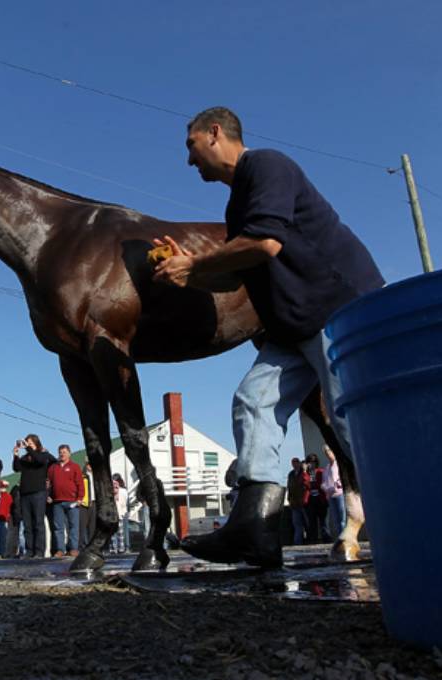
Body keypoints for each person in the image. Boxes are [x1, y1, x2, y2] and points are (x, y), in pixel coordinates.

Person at [154, 106, 384, 566]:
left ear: (214, 133)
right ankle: (255, 532)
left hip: (337, 308)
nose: (189, 160)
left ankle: (415, 515)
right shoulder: (237, 203)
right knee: (253, 402)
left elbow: (265, 244)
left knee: (349, 418)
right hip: (292, 325)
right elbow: (240, 270)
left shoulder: (267, 165)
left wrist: (196, 263)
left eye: (191, 146)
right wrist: (188, 276)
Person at [12, 434, 55, 558]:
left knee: (38, 523)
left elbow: (39, 461)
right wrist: (15, 455)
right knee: (27, 524)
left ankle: (39, 551)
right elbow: (16, 468)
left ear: (36, 443)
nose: (27, 444)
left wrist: (29, 449)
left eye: (30, 442)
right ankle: (29, 550)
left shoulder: (42, 454)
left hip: (38, 492)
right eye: (26, 442)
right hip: (25, 493)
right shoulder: (26, 457)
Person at [47, 444, 83, 557]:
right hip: (57, 502)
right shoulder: (53, 468)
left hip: (72, 501)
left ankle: (73, 549)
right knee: (58, 527)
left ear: (69, 453)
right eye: (60, 452)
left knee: (73, 526)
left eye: (64, 452)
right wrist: (48, 495)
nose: (62, 454)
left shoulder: (75, 466)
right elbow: (49, 484)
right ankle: (60, 550)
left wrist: (80, 498)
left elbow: (80, 484)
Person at [321, 445, 346, 541]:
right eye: (326, 454)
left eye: (329, 453)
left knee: (342, 519)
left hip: (339, 494)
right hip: (330, 495)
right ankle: (340, 538)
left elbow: (343, 478)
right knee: (335, 519)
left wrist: (337, 485)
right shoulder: (326, 468)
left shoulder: (339, 465)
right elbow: (323, 481)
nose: (328, 456)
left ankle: (344, 538)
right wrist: (325, 487)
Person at [286, 458, 310, 546]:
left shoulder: (303, 473)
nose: (295, 464)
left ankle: (309, 541)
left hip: (304, 502)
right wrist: (289, 499)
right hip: (294, 503)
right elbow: (289, 487)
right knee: (297, 524)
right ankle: (298, 543)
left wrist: (304, 471)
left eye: (296, 462)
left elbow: (307, 484)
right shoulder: (291, 474)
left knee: (308, 523)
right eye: (293, 463)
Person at [0, 480, 12, 558]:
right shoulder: (8, 496)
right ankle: (2, 553)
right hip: (4, 519)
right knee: (3, 538)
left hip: (0, 518)